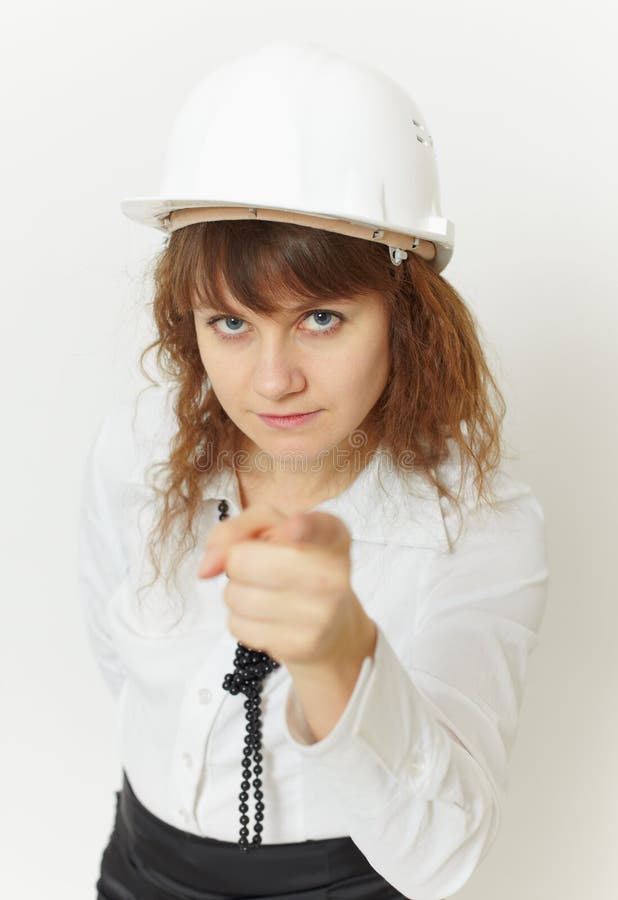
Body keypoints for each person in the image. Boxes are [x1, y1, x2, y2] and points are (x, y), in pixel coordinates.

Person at [78, 40, 549, 900]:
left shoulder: (478, 522)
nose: (272, 380)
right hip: (136, 865)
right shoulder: (138, 446)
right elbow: (118, 657)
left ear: (407, 315)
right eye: (229, 323)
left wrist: (341, 657)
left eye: (322, 317)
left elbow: (445, 856)